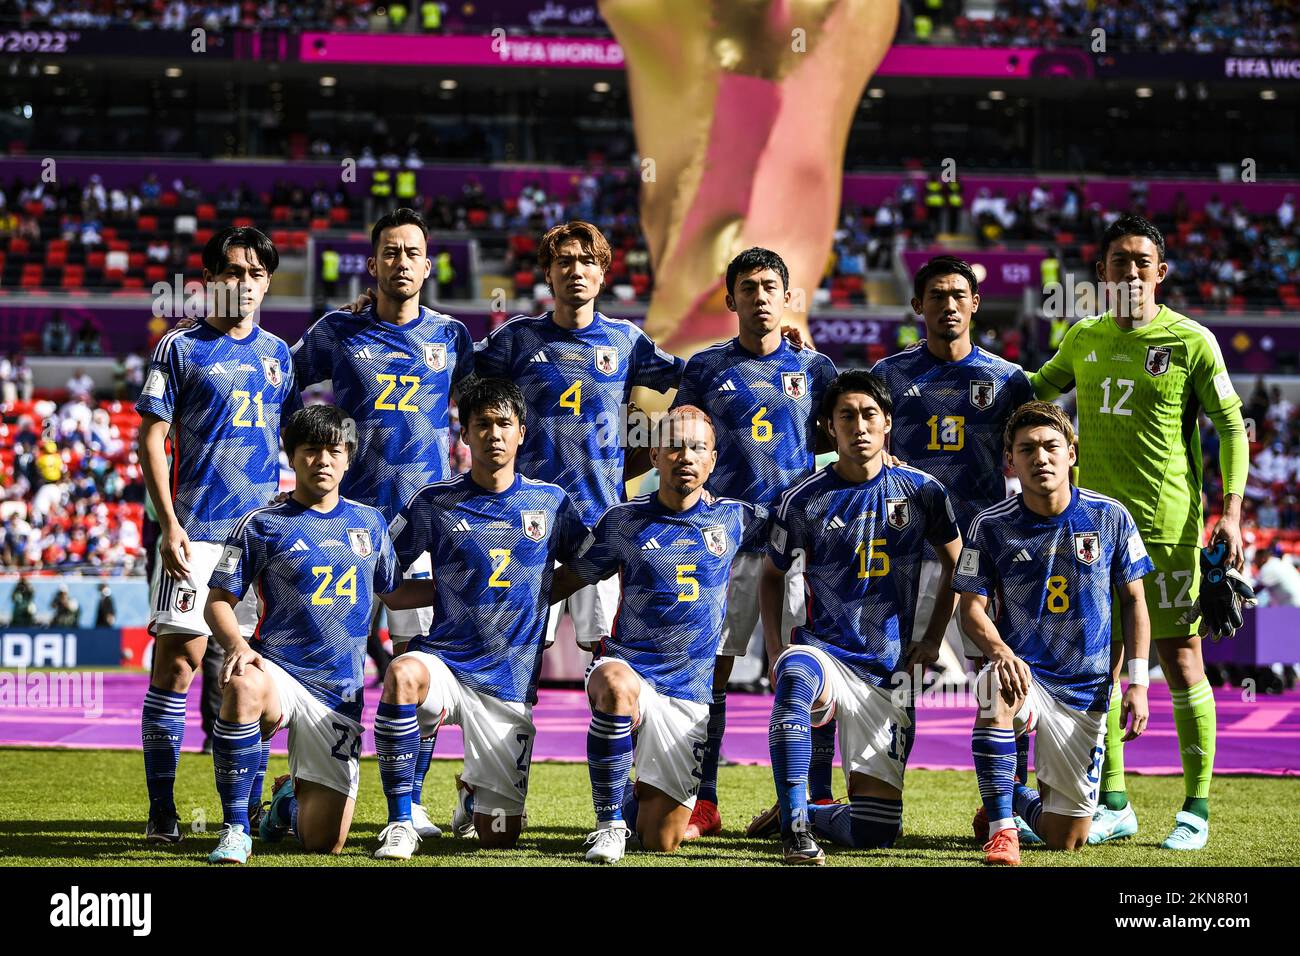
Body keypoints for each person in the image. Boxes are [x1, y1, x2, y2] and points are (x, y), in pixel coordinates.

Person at [1030, 214, 1248, 851]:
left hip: (1170, 529)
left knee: (1182, 660)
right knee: (1106, 661)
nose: (1129, 271)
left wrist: (1230, 514)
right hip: (1093, 529)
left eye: (1140, 261)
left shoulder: (1192, 341)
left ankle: (1196, 809)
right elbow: (1034, 391)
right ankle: (1116, 804)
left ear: (1161, 272)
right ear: (1101, 273)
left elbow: (1232, 429)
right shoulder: (1083, 338)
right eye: (1117, 261)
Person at [292, 207, 475, 840]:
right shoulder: (338, 330)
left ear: (428, 265)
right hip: (342, 527)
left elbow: (492, 409)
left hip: (423, 529)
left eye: (411, 253)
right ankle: (301, 785)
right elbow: (278, 381)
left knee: (416, 666)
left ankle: (411, 803)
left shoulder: (453, 338)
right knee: (322, 660)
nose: (400, 262)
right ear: (372, 264)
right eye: (388, 252)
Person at [370, 378, 591, 859]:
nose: (493, 434)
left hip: (508, 685)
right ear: (464, 435)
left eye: (503, 424)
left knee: (499, 837)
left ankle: (473, 796)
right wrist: (441, 590)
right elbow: (383, 578)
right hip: (446, 665)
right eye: (482, 424)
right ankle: (401, 820)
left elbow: (591, 562)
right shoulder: (434, 502)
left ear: (521, 433)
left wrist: (545, 592)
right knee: (402, 673)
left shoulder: (551, 503)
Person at [135, 226, 302, 845]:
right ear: (210, 279)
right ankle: (162, 811)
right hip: (195, 534)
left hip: (257, 543)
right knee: (178, 665)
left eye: (256, 273)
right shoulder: (179, 347)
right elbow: (152, 437)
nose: (244, 283)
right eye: (232, 271)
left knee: (245, 674)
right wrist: (167, 523)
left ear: (266, 283)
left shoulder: (281, 355)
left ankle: (246, 812)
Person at [202, 405, 426, 863]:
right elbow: (217, 603)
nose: (322, 460)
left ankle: (285, 804)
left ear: (348, 458)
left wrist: (461, 590)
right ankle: (235, 829)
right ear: (292, 455)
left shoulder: (370, 523)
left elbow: (396, 593)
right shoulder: (261, 524)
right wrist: (238, 646)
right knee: (243, 684)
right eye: (310, 451)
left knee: (324, 843)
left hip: (339, 694)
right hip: (279, 674)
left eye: (333, 450)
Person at [549, 404, 770, 863]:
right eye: (673, 445)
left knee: (660, 840)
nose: (684, 456)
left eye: (696, 447)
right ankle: (608, 824)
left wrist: (882, 463)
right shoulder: (622, 521)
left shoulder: (737, 519)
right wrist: (498, 600)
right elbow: (569, 579)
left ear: (712, 459)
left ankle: (635, 805)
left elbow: (810, 514)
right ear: (654, 454)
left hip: (689, 692)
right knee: (613, 685)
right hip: (629, 666)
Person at [668, 246, 837, 840]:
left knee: (808, 675)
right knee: (709, 674)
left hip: (800, 552)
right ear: (730, 298)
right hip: (721, 550)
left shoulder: (816, 370)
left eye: (770, 287)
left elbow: (846, 442)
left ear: (787, 296)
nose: (760, 297)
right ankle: (703, 799)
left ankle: (812, 802)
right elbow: (680, 447)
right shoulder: (704, 368)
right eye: (748, 287)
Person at [761, 370, 961, 864]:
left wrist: (932, 642)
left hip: (887, 674)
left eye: (870, 414)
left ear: (888, 422)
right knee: (794, 674)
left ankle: (809, 806)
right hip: (825, 654)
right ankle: (796, 825)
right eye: (846, 416)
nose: (859, 425)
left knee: (875, 833)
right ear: (829, 427)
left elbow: (959, 566)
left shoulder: (924, 492)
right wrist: (773, 649)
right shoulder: (801, 498)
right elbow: (771, 576)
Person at [870, 255, 1037, 838]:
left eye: (957, 296)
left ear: (974, 305)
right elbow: (852, 434)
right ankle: (872, 803)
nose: (947, 305)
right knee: (897, 679)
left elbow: (1039, 452)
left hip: (986, 557)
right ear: (918, 306)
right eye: (935, 295)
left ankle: (1004, 808)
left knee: (1001, 675)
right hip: (905, 553)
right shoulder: (888, 376)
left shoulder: (1010, 379)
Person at [957, 401, 1152, 864]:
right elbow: (971, 609)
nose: (1040, 457)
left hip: (1085, 689)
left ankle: (1010, 796)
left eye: (1050, 446)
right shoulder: (989, 526)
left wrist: (1138, 682)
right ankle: (1004, 830)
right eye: (1027, 449)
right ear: (1011, 461)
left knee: (1066, 838)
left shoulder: (1111, 517)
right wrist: (1001, 651)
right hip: (1023, 675)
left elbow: (1136, 601)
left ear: (1072, 453)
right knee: (993, 688)